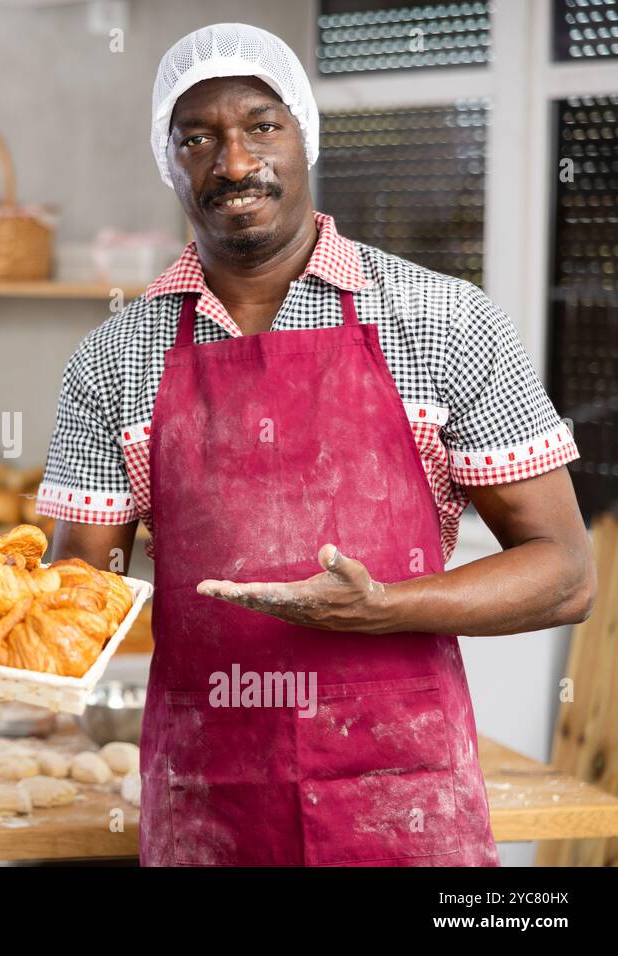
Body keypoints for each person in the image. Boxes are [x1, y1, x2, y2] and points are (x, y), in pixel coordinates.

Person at [36, 22, 596, 866]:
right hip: (209, 799)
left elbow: (565, 574)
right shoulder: (113, 358)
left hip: (401, 796)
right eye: (198, 139)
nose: (232, 163)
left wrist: (385, 610)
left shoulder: (444, 321)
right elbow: (79, 588)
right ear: (172, 163)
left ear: (305, 136)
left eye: (262, 126)